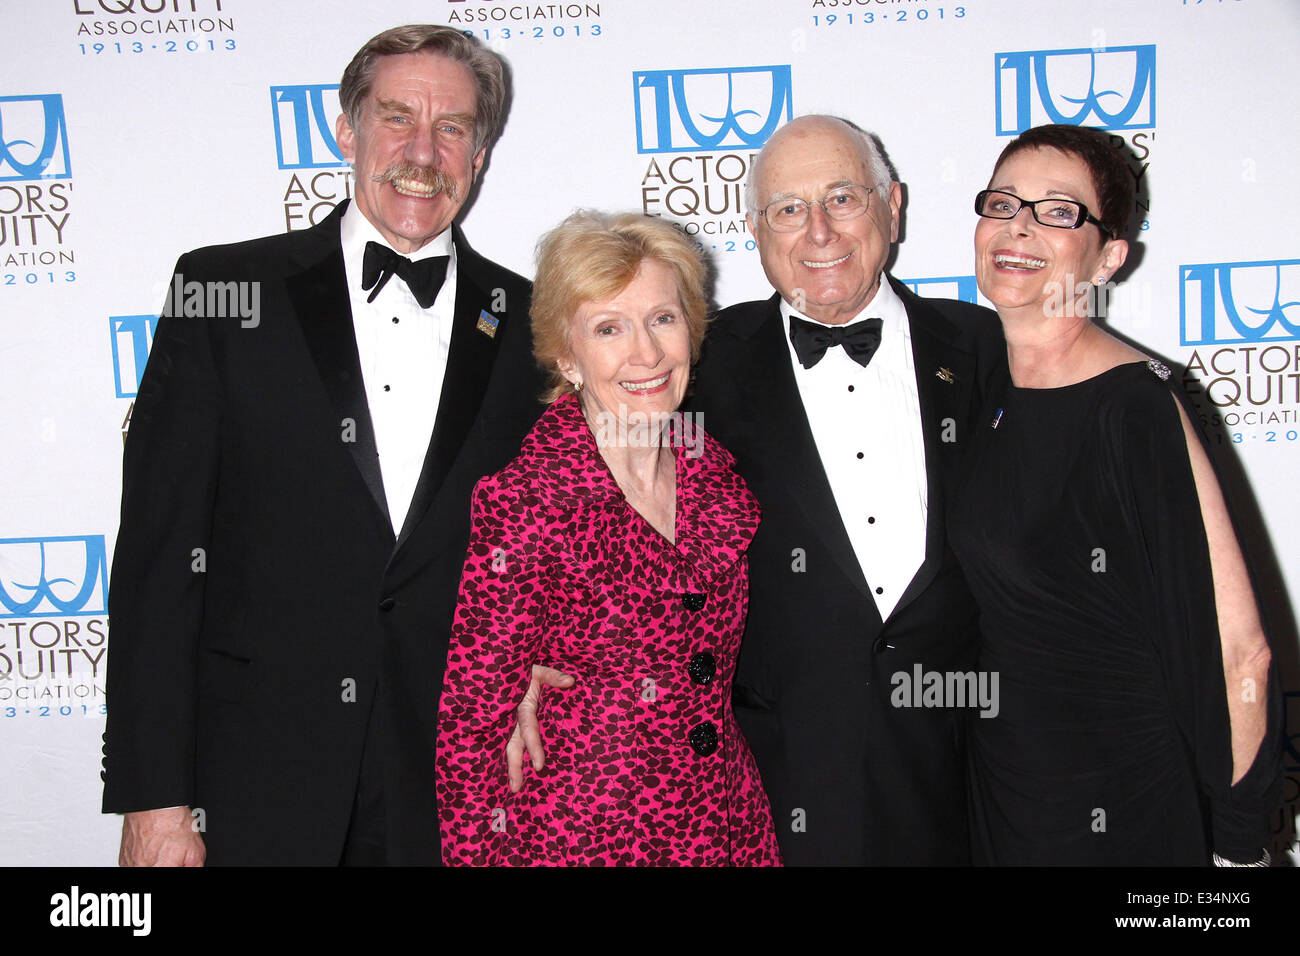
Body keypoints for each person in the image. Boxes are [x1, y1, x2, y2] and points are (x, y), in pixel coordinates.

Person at [101, 24, 548, 866]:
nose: (424, 149)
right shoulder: (222, 293)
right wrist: (155, 800)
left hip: (468, 795)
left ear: (482, 152)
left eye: (453, 126)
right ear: (345, 130)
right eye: (396, 118)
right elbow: (160, 566)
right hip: (256, 785)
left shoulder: (539, 323)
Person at [949, 123, 1281, 866]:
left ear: (1109, 257)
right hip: (1007, 800)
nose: (1018, 226)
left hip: (1122, 806)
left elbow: (1241, 653)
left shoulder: (1135, 409)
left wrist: (1240, 849)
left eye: (1058, 211)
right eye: (1002, 203)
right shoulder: (981, 388)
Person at [687, 115, 1005, 864]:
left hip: (964, 778)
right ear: (756, 230)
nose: (819, 232)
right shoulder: (698, 364)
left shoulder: (990, 348)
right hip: (777, 784)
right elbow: (594, 500)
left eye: (842, 198)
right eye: (789, 209)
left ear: (892, 206)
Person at [436, 211, 781, 866]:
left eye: (663, 318)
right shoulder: (528, 502)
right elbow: (470, 739)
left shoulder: (714, 473)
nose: (645, 354)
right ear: (567, 356)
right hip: (584, 838)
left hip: (725, 823)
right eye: (609, 328)